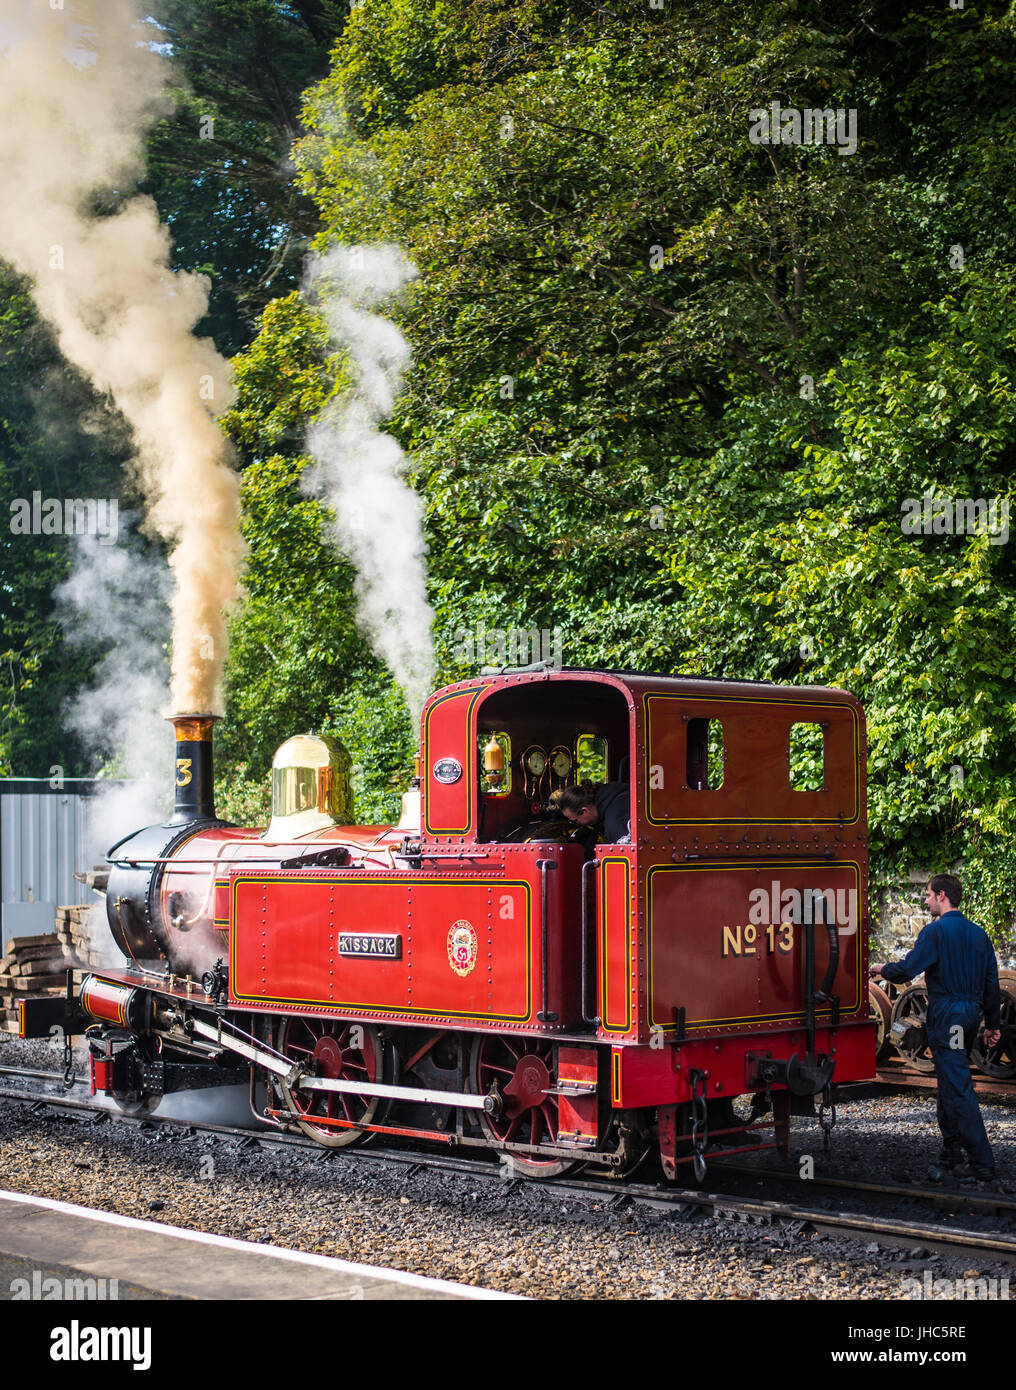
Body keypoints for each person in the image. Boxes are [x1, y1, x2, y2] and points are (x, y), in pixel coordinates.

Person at [870, 873, 1002, 1187]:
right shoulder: (979, 934)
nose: (926, 901)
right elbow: (991, 985)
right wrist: (993, 1025)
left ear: (942, 895)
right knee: (948, 1081)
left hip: (947, 1015)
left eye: (928, 895)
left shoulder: (935, 933)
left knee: (958, 1089)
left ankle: (983, 1165)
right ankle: (951, 1154)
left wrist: (879, 969)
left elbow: (907, 969)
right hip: (970, 1015)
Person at [550, 780, 630, 843]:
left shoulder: (615, 821)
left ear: (584, 810)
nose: (578, 824)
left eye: (575, 821)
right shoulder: (615, 792)